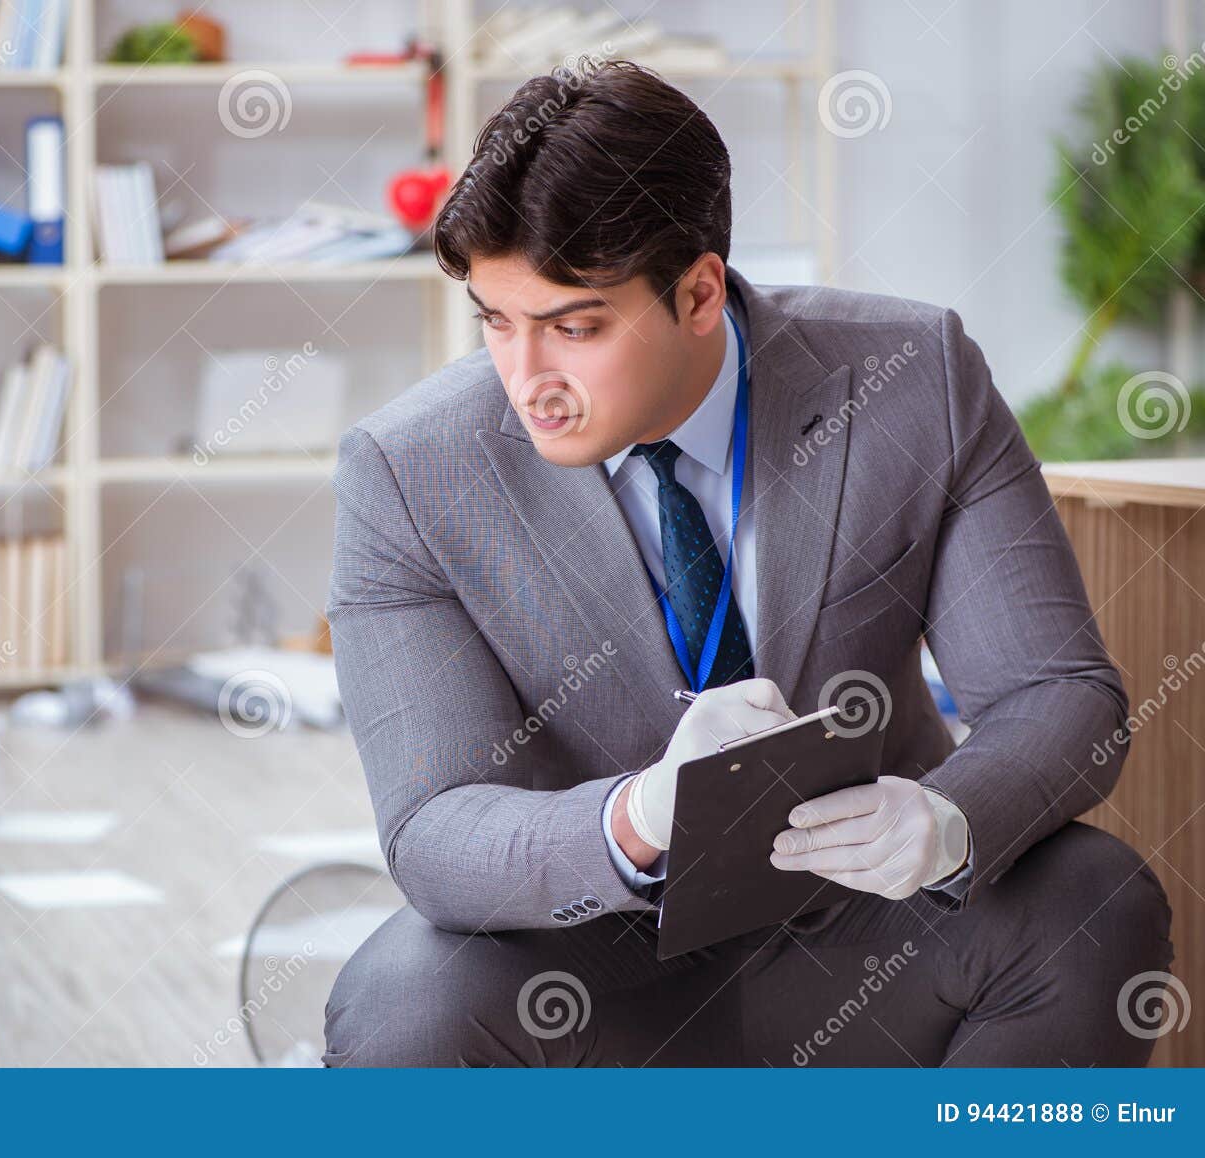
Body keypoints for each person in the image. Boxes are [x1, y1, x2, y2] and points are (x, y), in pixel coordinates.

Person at [321, 60, 1173, 1066]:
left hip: (864, 921)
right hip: (591, 960)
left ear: (697, 293)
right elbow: (431, 831)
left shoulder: (912, 378)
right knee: (400, 1006)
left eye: (574, 327)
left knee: (1092, 899)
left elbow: (1059, 693)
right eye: (498, 323)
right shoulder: (410, 469)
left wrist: (945, 818)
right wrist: (639, 814)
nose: (527, 380)